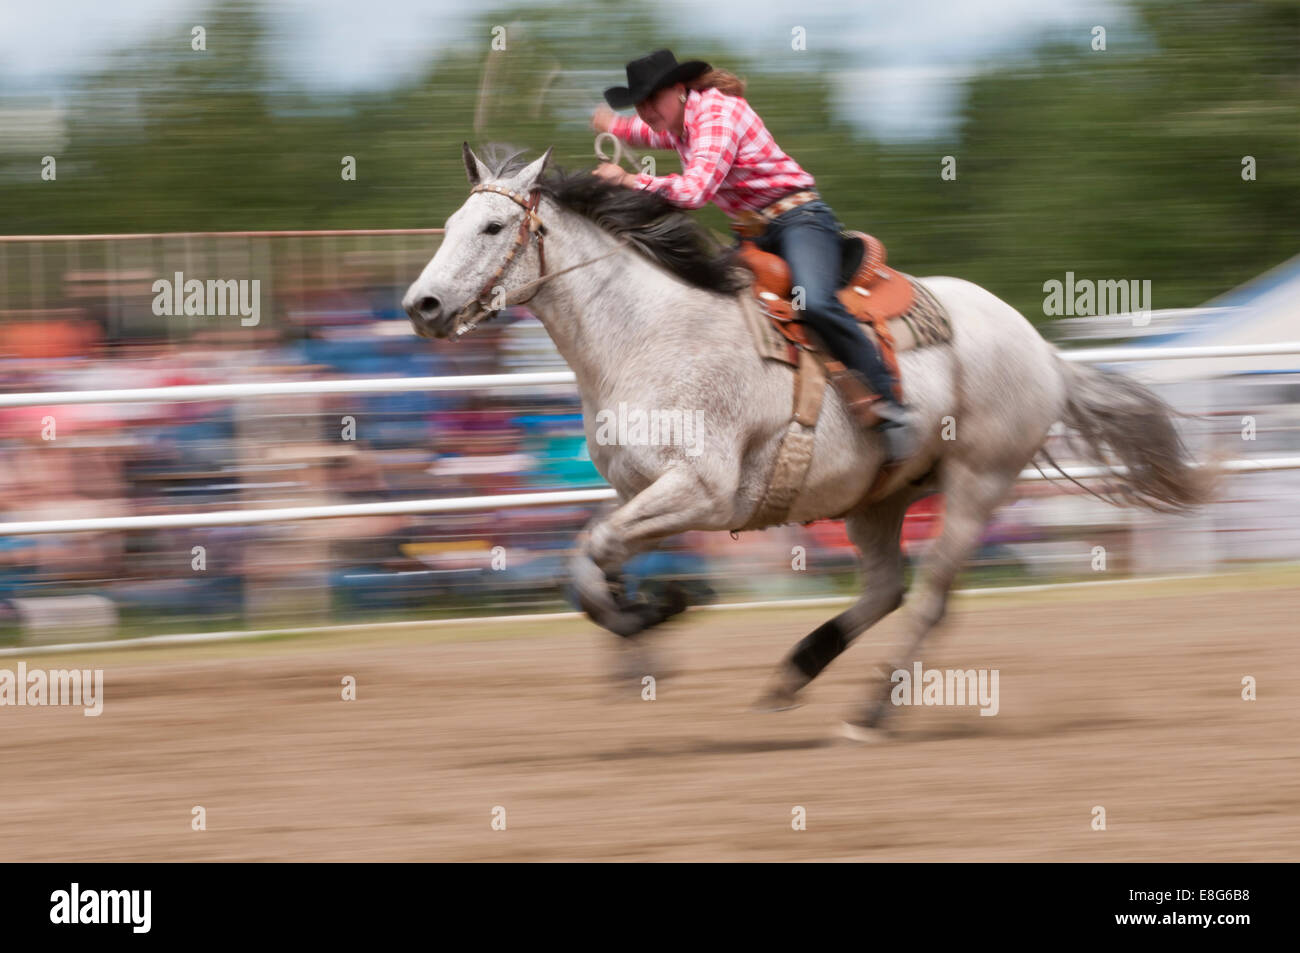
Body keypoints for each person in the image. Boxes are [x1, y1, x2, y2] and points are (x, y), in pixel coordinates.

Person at [591, 49, 917, 460]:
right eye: (639, 104)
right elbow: (650, 133)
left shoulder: (716, 116)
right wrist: (616, 126)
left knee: (813, 300)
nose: (646, 111)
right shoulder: (679, 122)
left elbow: (694, 193)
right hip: (754, 235)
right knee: (704, 302)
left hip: (799, 218)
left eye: (651, 100)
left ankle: (890, 403)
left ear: (678, 90)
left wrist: (628, 179)